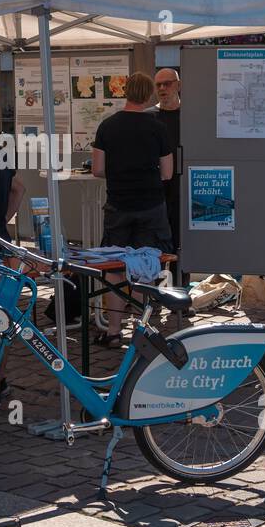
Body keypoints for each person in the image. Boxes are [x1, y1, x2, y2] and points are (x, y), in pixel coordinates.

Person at [91, 72, 173, 345]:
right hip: (151, 204)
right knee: (147, 265)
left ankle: (114, 330)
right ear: (149, 94)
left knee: (114, 267)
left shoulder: (107, 126)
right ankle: (143, 328)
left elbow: (98, 170)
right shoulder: (158, 127)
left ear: (125, 92)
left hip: (118, 204)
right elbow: (168, 173)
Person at [151, 67, 186, 287]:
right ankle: (154, 294)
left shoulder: (191, 115)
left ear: (178, 85)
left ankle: (179, 292)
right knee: (155, 244)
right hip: (156, 190)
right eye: (158, 85)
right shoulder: (149, 117)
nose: (163, 88)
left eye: (168, 83)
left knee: (182, 243)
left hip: (183, 189)